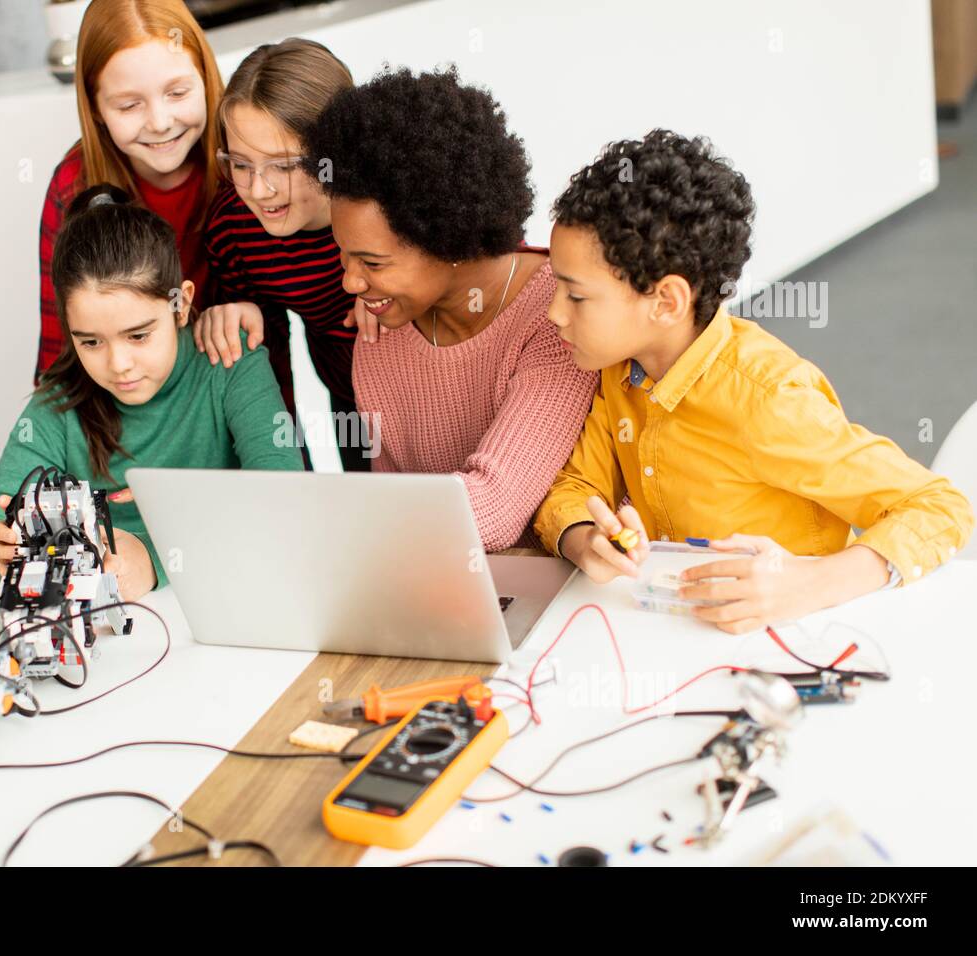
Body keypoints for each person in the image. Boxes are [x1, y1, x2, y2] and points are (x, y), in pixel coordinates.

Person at [534, 129, 974, 633]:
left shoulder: (768, 400)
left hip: (795, 638)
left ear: (666, 302)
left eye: (576, 296)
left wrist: (812, 583)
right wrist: (582, 534)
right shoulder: (619, 372)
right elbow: (575, 484)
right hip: (679, 630)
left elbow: (940, 507)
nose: (553, 314)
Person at [0, 186, 303, 600]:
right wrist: (2, 561)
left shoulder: (231, 363)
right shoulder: (59, 404)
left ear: (181, 304)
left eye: (138, 335)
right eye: (91, 342)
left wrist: (152, 558)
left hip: (226, 601)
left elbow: (283, 502)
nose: (118, 365)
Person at [299, 66, 599, 549]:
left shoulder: (558, 319)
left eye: (373, 262)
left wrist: (336, 529)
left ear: (448, 238)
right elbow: (393, 502)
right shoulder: (380, 337)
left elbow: (494, 510)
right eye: (344, 254)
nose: (350, 281)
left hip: (564, 596)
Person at [196, 38, 371, 470]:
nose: (260, 189)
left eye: (284, 165)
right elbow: (269, 376)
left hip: (425, 392)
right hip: (345, 391)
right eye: (240, 164)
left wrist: (395, 293)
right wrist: (289, 471)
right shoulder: (234, 229)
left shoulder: (382, 201)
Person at [34, 0, 225, 380]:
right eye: (129, 105)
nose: (159, 122)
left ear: (205, 78)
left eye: (177, 93)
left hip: (239, 393)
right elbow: (60, 356)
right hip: (126, 418)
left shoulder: (244, 164)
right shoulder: (73, 187)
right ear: (96, 109)